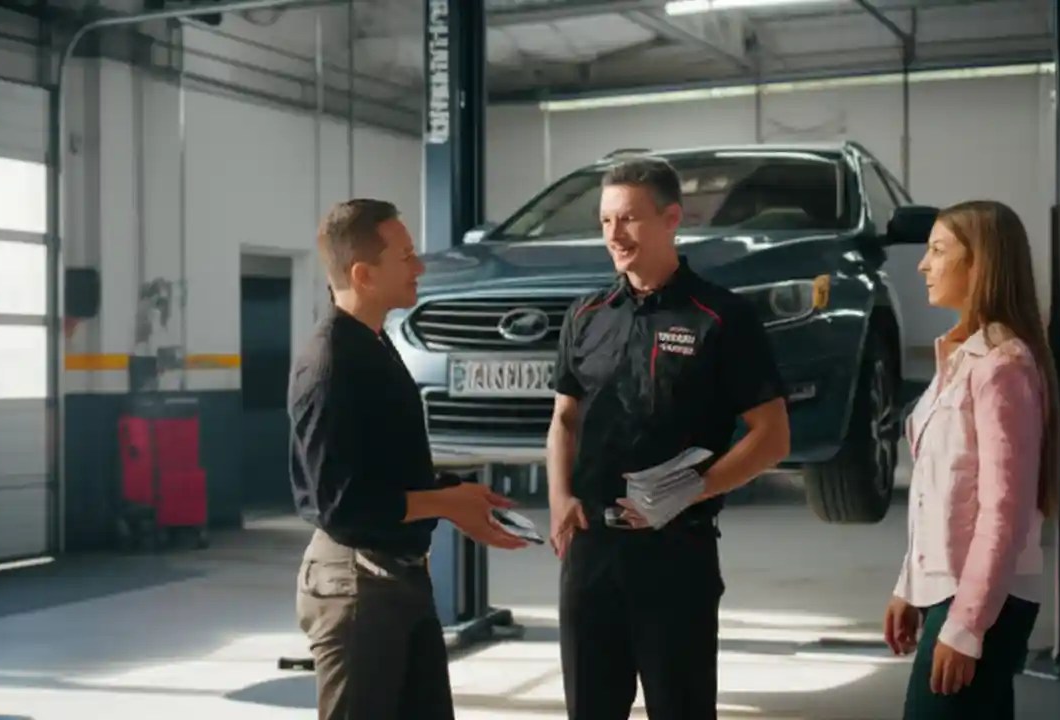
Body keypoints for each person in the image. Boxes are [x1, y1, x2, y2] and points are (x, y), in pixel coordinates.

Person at [545, 157, 792, 720]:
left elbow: (772, 436)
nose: (614, 234)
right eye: (606, 221)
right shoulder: (586, 314)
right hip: (591, 554)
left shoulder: (722, 317)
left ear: (671, 218)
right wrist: (560, 497)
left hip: (677, 552)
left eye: (628, 218)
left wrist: (690, 491)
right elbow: (565, 419)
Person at [288, 198, 530, 720]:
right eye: (406, 256)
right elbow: (343, 504)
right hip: (358, 584)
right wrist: (446, 502)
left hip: (397, 577)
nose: (419, 267)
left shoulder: (374, 344)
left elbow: (382, 468)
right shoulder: (331, 364)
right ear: (364, 274)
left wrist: (458, 496)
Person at [884, 200, 1058, 719]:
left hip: (984, 599)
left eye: (938, 250)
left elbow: (1004, 511)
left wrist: (966, 626)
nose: (923, 264)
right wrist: (910, 585)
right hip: (952, 589)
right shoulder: (960, 357)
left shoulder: (1003, 367)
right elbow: (937, 495)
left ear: (979, 265)